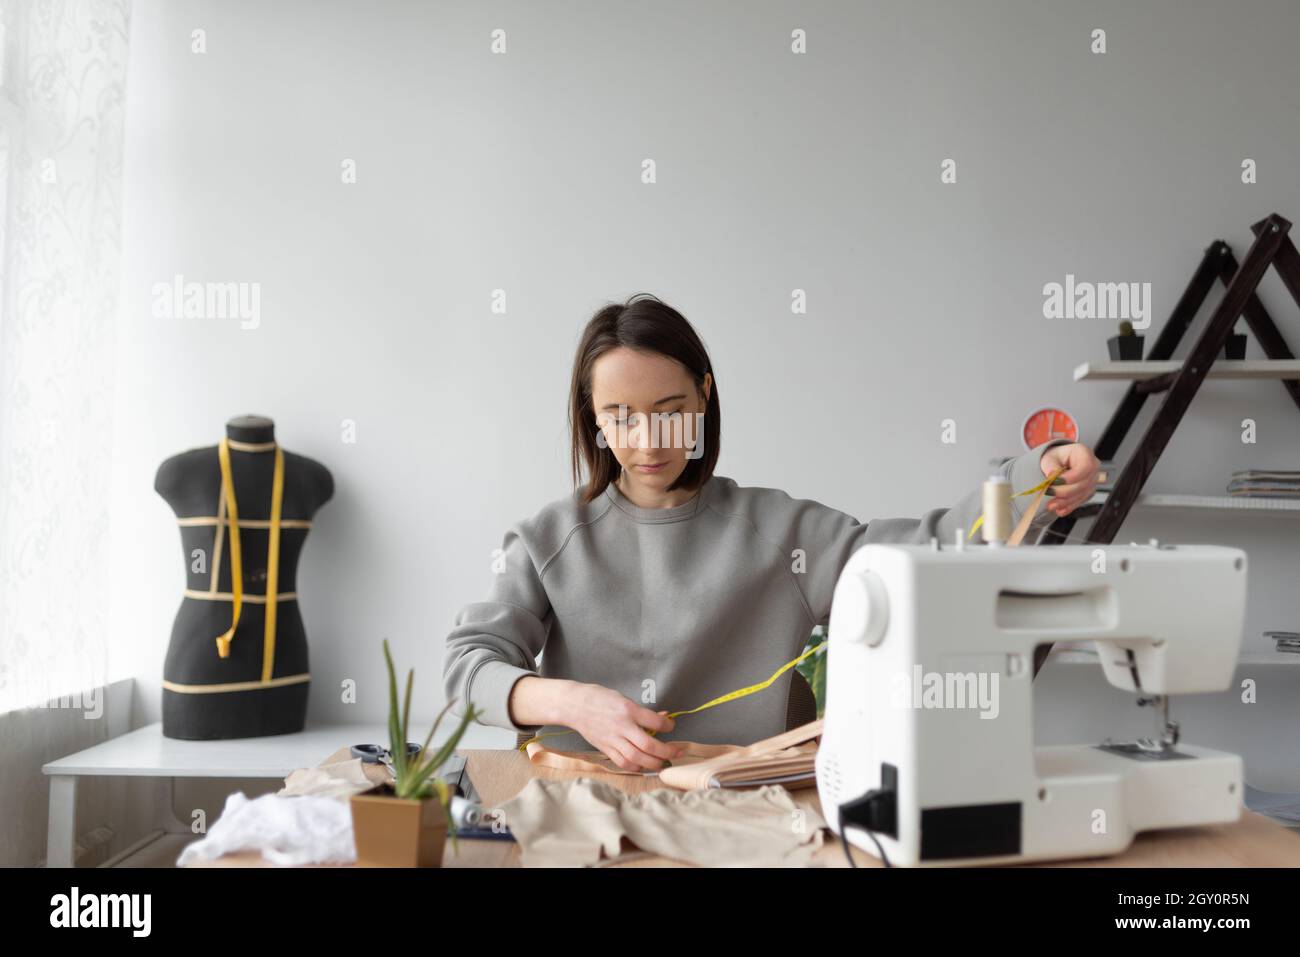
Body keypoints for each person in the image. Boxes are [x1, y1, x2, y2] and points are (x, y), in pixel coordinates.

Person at [443, 294, 1100, 771]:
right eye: (620, 416)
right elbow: (468, 667)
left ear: (704, 395)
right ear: (593, 417)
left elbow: (923, 549)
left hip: (743, 816)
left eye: (670, 412)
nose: (647, 441)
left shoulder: (775, 531)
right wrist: (574, 704)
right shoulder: (546, 538)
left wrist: (1029, 479)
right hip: (578, 811)